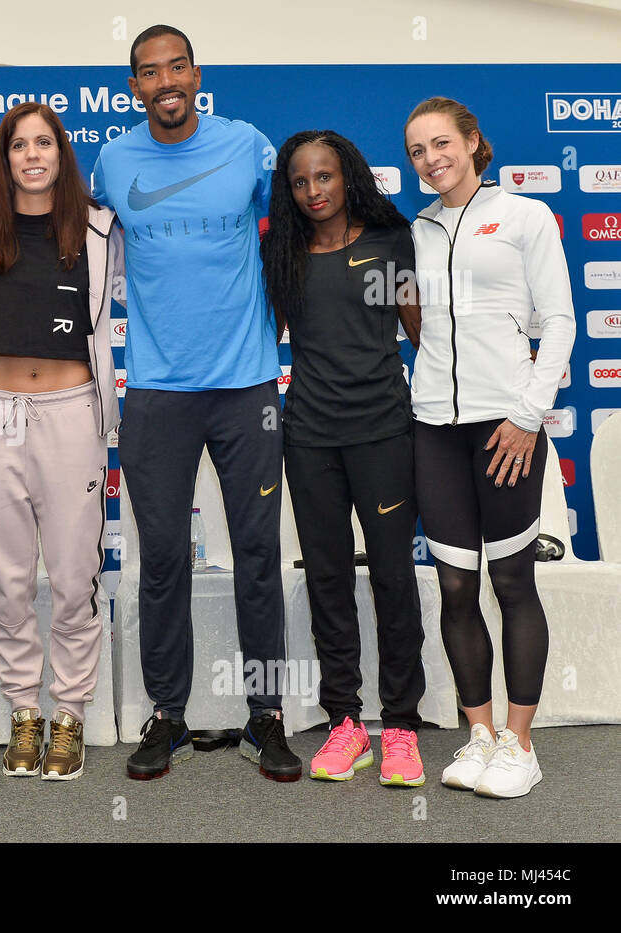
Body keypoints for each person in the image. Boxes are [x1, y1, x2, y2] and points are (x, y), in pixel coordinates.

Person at [93, 24, 301, 782]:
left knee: (256, 554)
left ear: (195, 73)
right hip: (156, 391)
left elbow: (302, 222)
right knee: (164, 560)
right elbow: (63, 238)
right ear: (135, 88)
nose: (165, 80)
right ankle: (168, 714)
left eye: (176, 66)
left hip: (246, 385)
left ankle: (267, 715)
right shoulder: (113, 160)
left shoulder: (246, 144)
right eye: (149, 72)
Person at [404, 97, 574, 799]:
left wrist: (528, 413)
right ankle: (477, 735)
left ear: (474, 143)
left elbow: (560, 321)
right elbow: (419, 317)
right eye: (417, 150)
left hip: (507, 427)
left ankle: (520, 742)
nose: (430, 158)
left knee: (511, 582)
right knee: (454, 584)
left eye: (441, 143)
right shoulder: (416, 229)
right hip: (434, 430)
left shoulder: (525, 216)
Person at [0, 103, 123, 781]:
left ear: (61, 154)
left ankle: (71, 713)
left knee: (75, 574)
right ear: (5, 157)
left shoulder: (103, 229)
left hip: (72, 410)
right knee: (9, 576)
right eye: (19, 144)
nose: (31, 154)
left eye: (43, 143)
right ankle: (25, 710)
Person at [261, 130, 428, 786]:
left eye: (324, 177)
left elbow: (422, 334)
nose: (313, 192)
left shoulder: (390, 242)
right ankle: (345, 722)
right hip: (309, 437)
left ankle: (403, 725)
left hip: (384, 431)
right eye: (300, 182)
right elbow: (262, 332)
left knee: (391, 577)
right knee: (328, 578)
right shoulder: (286, 250)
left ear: (347, 175)